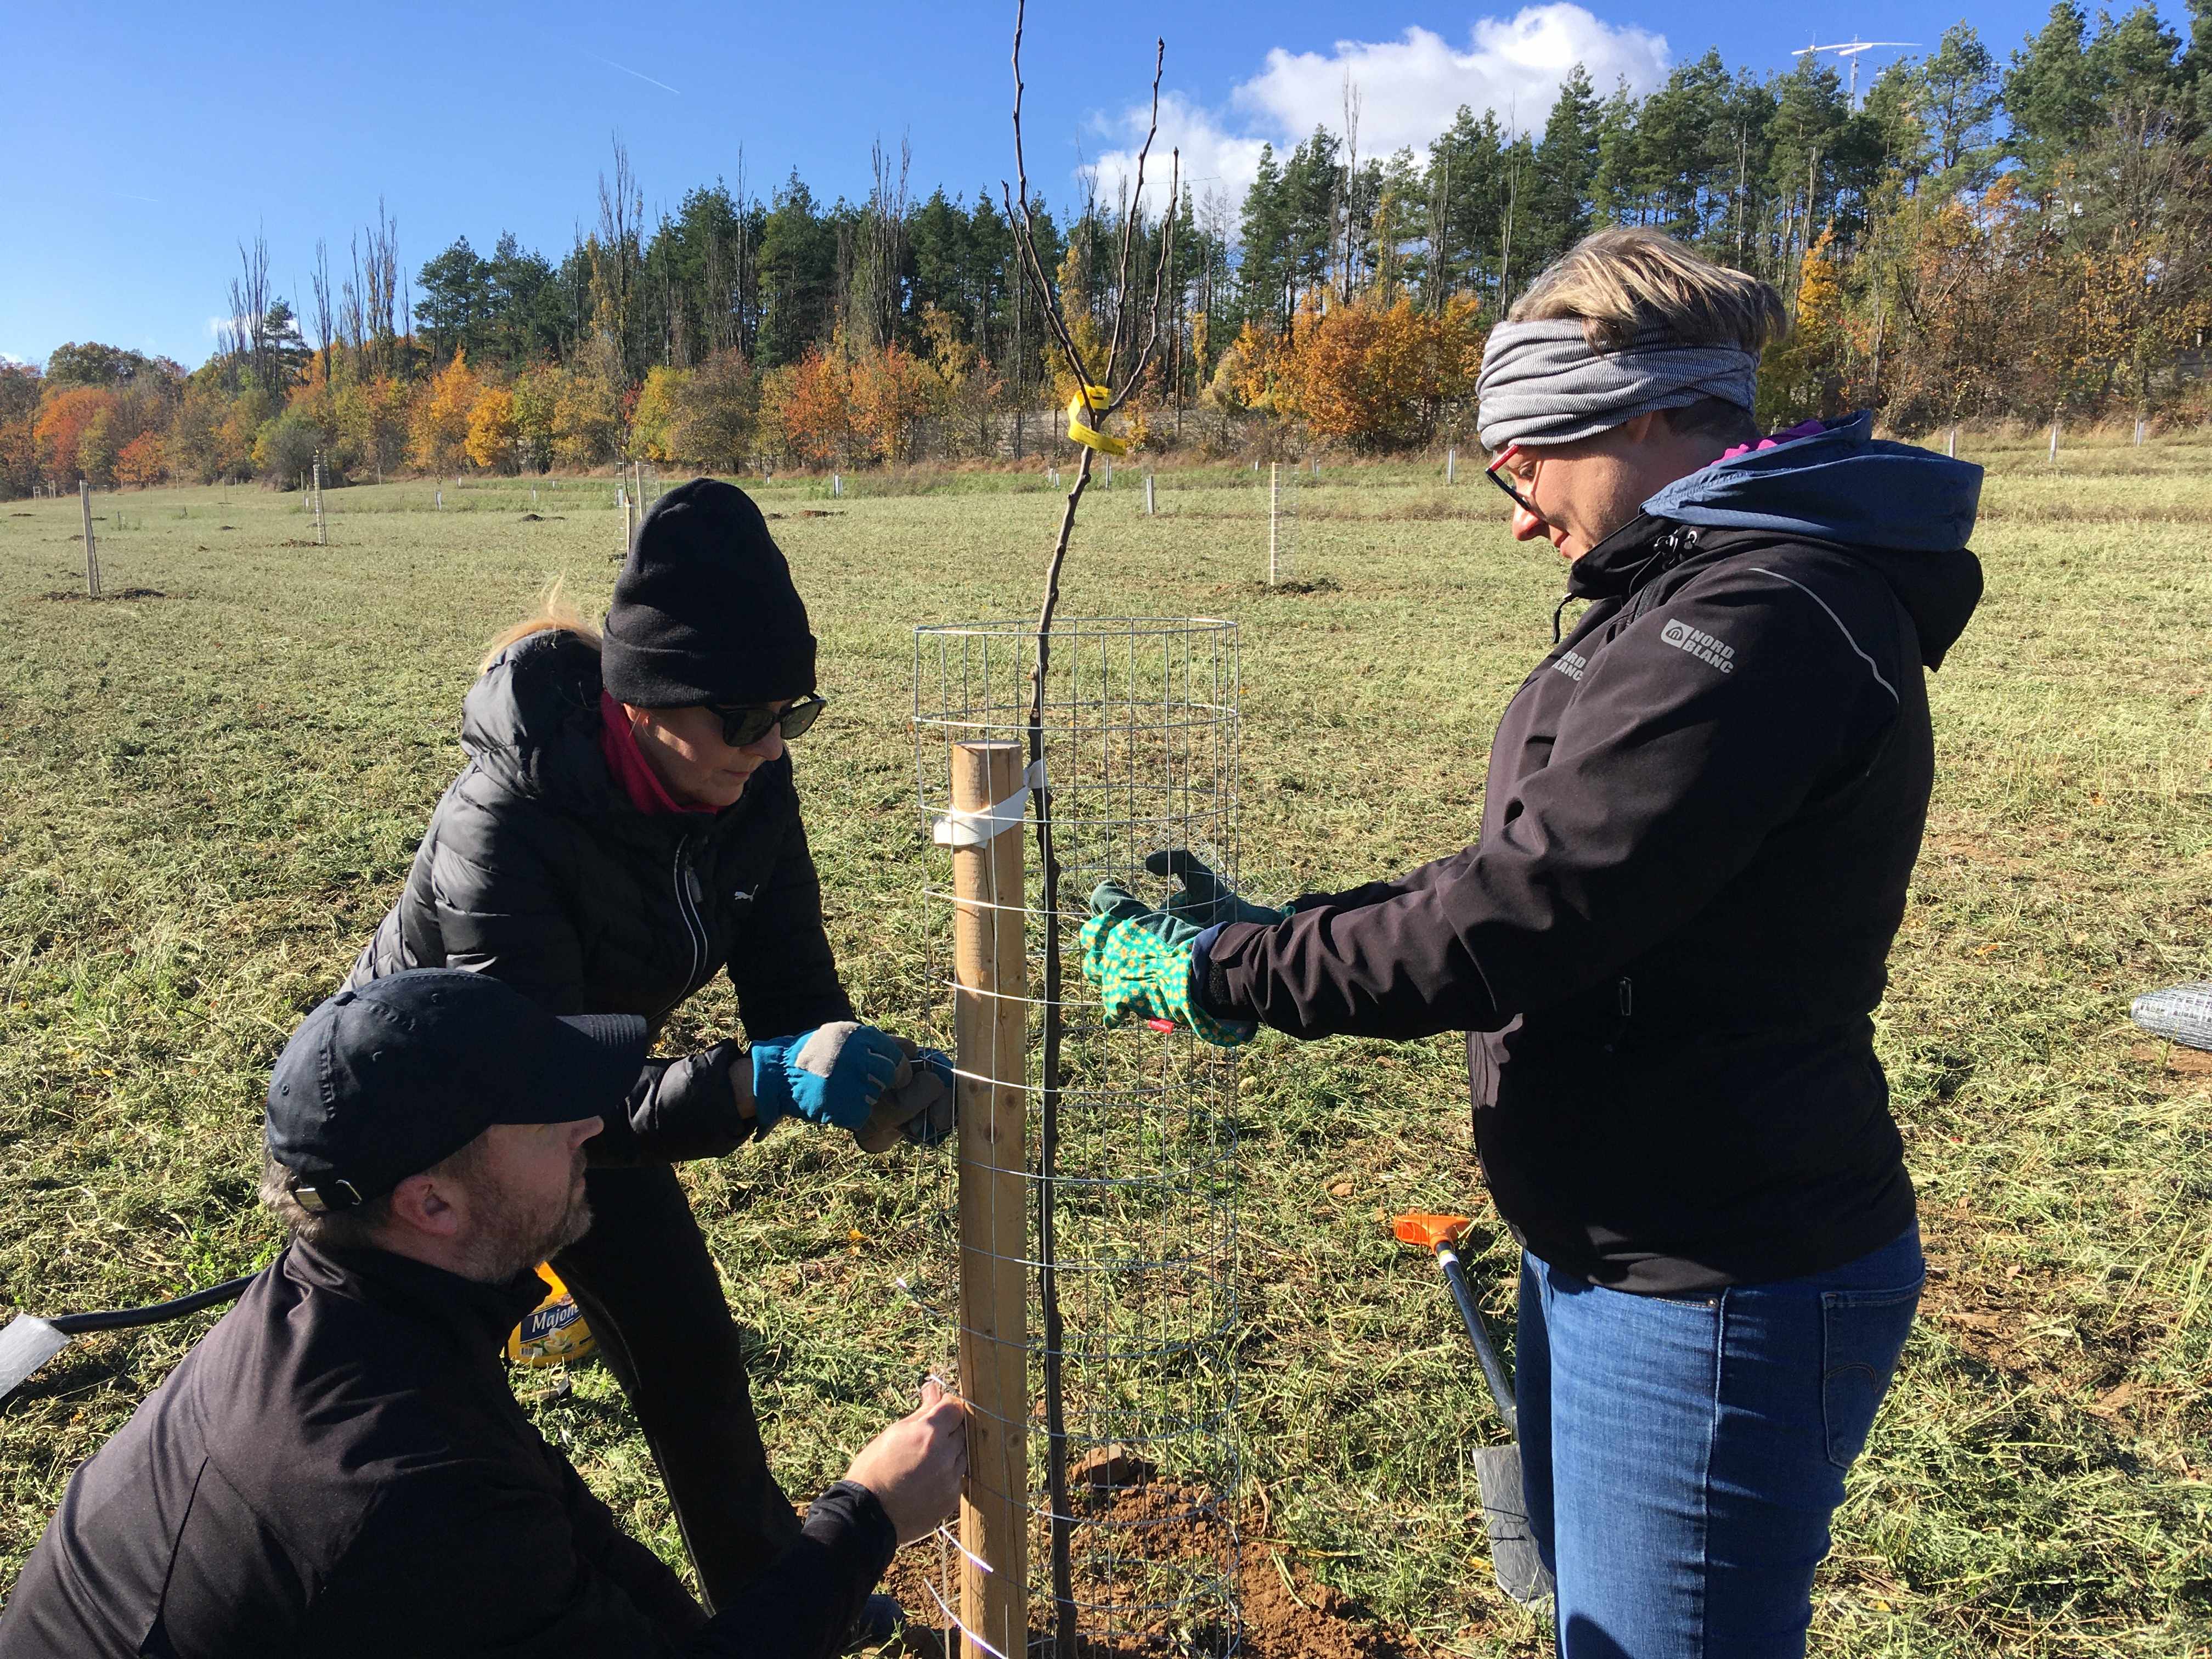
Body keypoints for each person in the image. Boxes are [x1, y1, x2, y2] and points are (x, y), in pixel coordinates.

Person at [1082, 229, 1983, 1657]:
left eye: (1522, 460)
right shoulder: (1717, 594)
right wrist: (1283, 933)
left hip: (1710, 1273)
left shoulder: (1755, 621)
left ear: (1634, 420)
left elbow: (1520, 918)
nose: (1518, 513)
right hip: (1630, 1238)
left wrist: (1220, 970)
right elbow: (1529, 873)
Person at [345, 478, 950, 1620]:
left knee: (692, 1359)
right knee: (448, 1426)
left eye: (793, 715)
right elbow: (539, 1081)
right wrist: (749, 1086)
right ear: (648, 701)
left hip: (576, 1107)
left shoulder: (751, 786)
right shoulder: (506, 822)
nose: (773, 750)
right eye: (747, 721)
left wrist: (866, 1071)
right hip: (419, 1144)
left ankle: (780, 1596)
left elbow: (793, 992)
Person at [0, 970, 966, 1659]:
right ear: (432, 1203)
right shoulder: (397, 1488)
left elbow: (571, 1546)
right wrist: (868, 1514)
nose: (594, 1125)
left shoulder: (342, 1312)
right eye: (552, 1122)